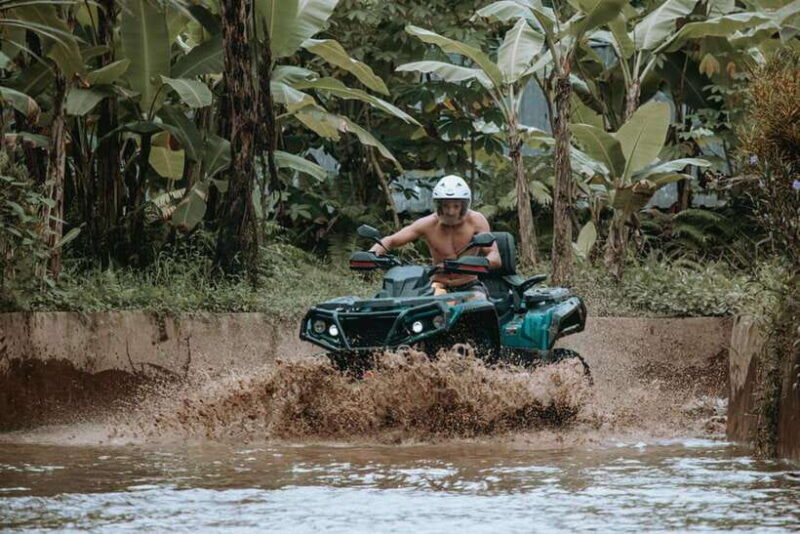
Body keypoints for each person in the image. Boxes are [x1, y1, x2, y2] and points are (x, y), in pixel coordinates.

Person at [369, 175, 501, 298]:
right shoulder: (428, 224)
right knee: (424, 313)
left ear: (464, 205)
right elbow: (391, 240)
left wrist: (476, 263)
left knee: (478, 306)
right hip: (437, 284)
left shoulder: (476, 221)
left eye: (456, 206)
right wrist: (370, 256)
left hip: (469, 285)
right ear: (438, 205)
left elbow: (495, 257)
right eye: (446, 206)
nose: (450, 212)